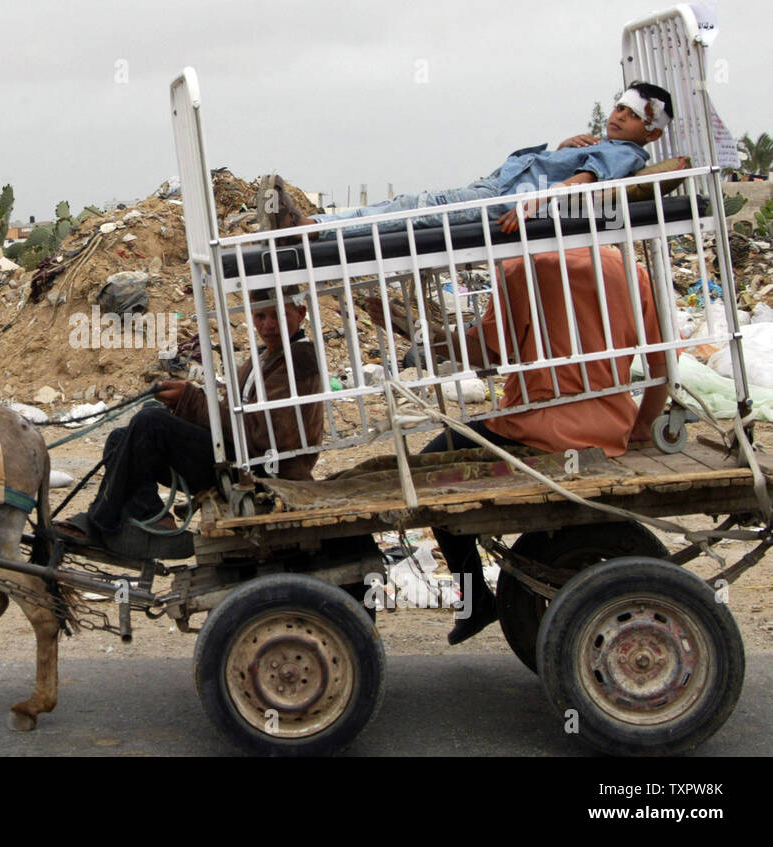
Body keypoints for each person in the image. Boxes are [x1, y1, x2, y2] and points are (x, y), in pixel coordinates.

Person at [371, 244, 669, 643]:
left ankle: (475, 599)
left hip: (535, 427)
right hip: (609, 427)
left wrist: (410, 325)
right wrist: (643, 423)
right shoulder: (624, 266)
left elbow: (485, 354)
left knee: (428, 474)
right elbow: (662, 361)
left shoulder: (524, 264)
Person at [75, 286, 325, 545]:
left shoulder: (299, 358)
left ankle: (99, 523)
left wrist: (191, 401)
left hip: (264, 469)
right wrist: (185, 402)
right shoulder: (266, 354)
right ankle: (154, 518)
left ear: (301, 313)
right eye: (260, 317)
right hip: (240, 455)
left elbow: (264, 434)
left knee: (150, 424)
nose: (268, 325)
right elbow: (233, 411)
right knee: (120, 438)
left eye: (278, 316)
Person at [264, 81, 674, 236]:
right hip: (501, 186)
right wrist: (565, 148)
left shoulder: (625, 157)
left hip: (506, 200)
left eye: (632, 115)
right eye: (619, 108)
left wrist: (535, 201)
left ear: (652, 132)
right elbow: (578, 169)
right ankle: (313, 225)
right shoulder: (606, 146)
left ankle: (311, 227)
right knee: (408, 207)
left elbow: (584, 184)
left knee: (409, 213)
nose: (619, 117)